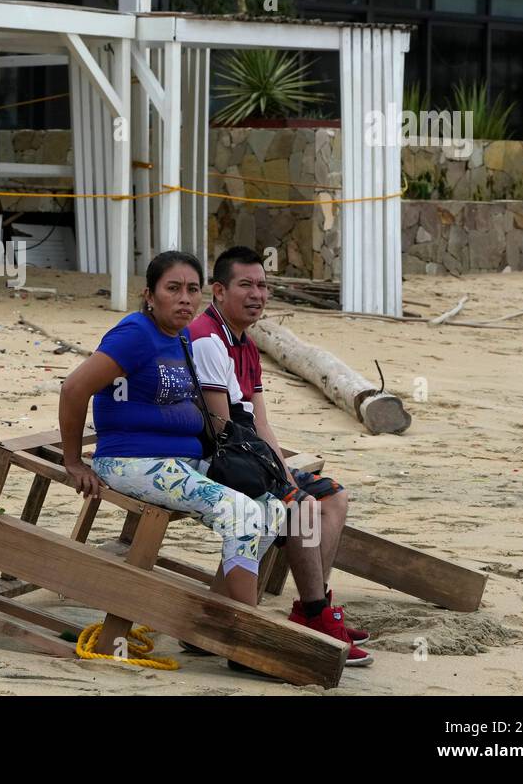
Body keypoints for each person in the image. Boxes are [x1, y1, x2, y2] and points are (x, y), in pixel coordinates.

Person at [58, 251, 286, 629]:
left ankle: (213, 621)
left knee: (272, 509)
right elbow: (73, 388)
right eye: (173, 288)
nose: (185, 298)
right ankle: (249, 629)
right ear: (150, 295)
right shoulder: (135, 335)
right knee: (240, 513)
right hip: (132, 461)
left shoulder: (180, 336)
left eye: (192, 290)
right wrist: (73, 461)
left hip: (179, 460)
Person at [189, 245, 370, 664]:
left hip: (247, 452)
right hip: (216, 460)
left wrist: (283, 472)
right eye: (245, 285)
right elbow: (222, 430)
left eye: (263, 286)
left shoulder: (246, 344)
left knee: (333, 496)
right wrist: (283, 485)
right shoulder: (207, 339)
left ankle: (315, 607)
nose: (257, 294)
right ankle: (315, 613)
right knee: (301, 508)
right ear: (218, 291)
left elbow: (261, 423)